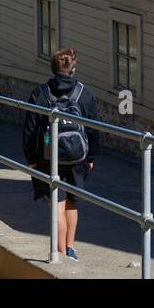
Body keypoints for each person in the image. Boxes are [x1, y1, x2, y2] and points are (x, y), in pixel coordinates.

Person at [22, 48, 99, 261]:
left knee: (57, 203)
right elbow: (94, 130)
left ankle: (60, 253)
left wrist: (31, 160)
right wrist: (91, 158)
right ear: (73, 69)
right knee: (72, 202)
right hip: (78, 158)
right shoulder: (85, 94)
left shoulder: (40, 93)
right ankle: (71, 248)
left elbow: (29, 129)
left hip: (48, 157)